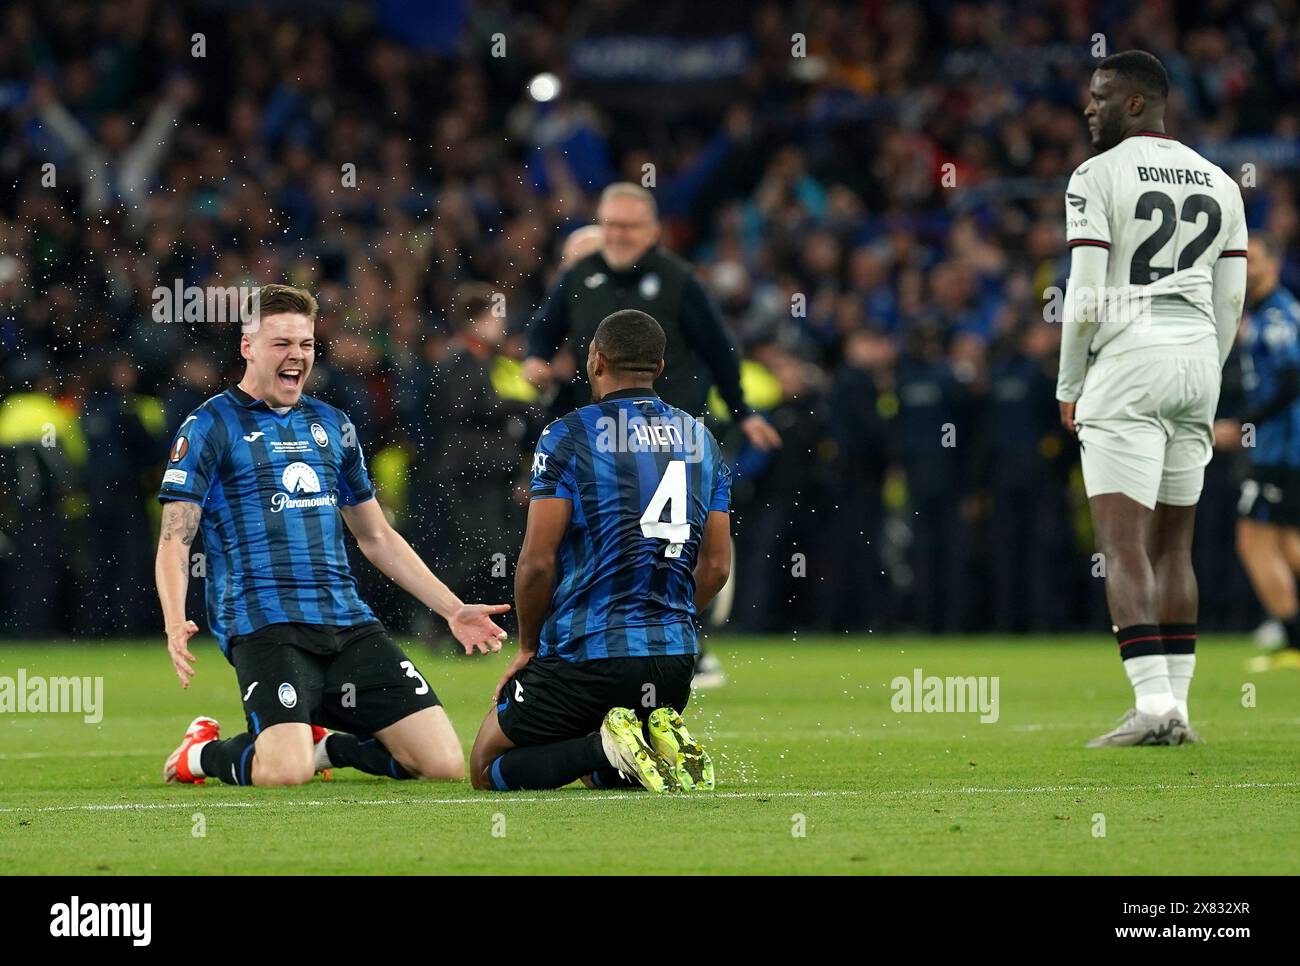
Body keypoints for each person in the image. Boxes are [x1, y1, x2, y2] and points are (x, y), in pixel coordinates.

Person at [157, 284, 510, 786]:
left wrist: (452, 608)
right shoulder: (210, 425)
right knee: (284, 773)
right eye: (281, 343)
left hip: (345, 622)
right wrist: (175, 620)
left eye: (305, 344)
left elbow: (376, 537)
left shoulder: (332, 424)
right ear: (248, 346)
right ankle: (203, 754)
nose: (296, 356)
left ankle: (327, 745)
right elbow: (175, 538)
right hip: (265, 624)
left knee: (444, 765)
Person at [1055, 51, 1248, 746]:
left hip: (1128, 358)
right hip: (1198, 355)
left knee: (1122, 542)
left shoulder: (1096, 175)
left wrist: (1069, 383)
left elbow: (1085, 292)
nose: (1088, 108)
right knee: (1175, 546)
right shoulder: (1222, 181)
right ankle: (1178, 711)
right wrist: (1209, 368)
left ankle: (1153, 706)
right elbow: (1232, 297)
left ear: (1135, 104)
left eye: (1100, 96)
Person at [468, 309, 732, 792]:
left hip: (588, 656)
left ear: (596, 361)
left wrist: (528, 647)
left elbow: (536, 561)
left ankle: (604, 746)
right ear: (660, 367)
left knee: (486, 766)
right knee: (605, 778)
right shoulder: (702, 439)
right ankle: (635, 743)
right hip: (673, 666)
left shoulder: (568, 435)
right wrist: (668, 615)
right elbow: (716, 565)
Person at [1213, 236, 1300, 672]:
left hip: (1282, 449)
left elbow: (1289, 384)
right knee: (1286, 543)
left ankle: (1293, 641)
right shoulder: (1261, 315)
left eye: (1255, 261)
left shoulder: (1279, 316)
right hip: (1280, 447)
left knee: (1252, 540)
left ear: (1274, 263)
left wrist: (1241, 425)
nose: (1247, 270)